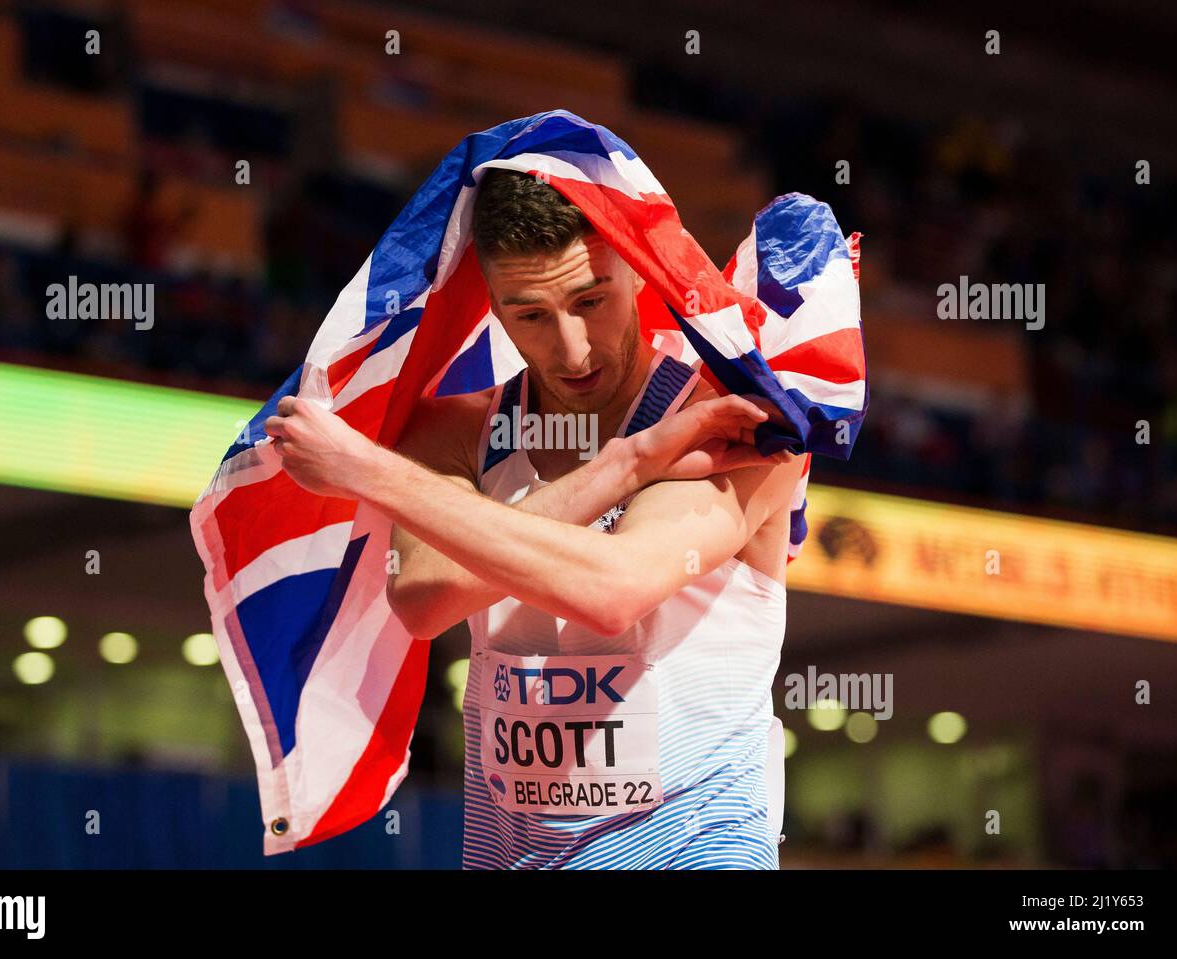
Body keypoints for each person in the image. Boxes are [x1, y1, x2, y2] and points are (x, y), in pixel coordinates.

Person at [264, 169, 806, 868]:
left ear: (640, 270)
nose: (572, 347)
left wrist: (368, 470)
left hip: (697, 845)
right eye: (531, 315)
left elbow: (610, 590)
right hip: (511, 852)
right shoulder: (458, 431)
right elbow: (424, 595)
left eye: (591, 299)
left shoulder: (733, 423)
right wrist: (626, 465)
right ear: (490, 304)